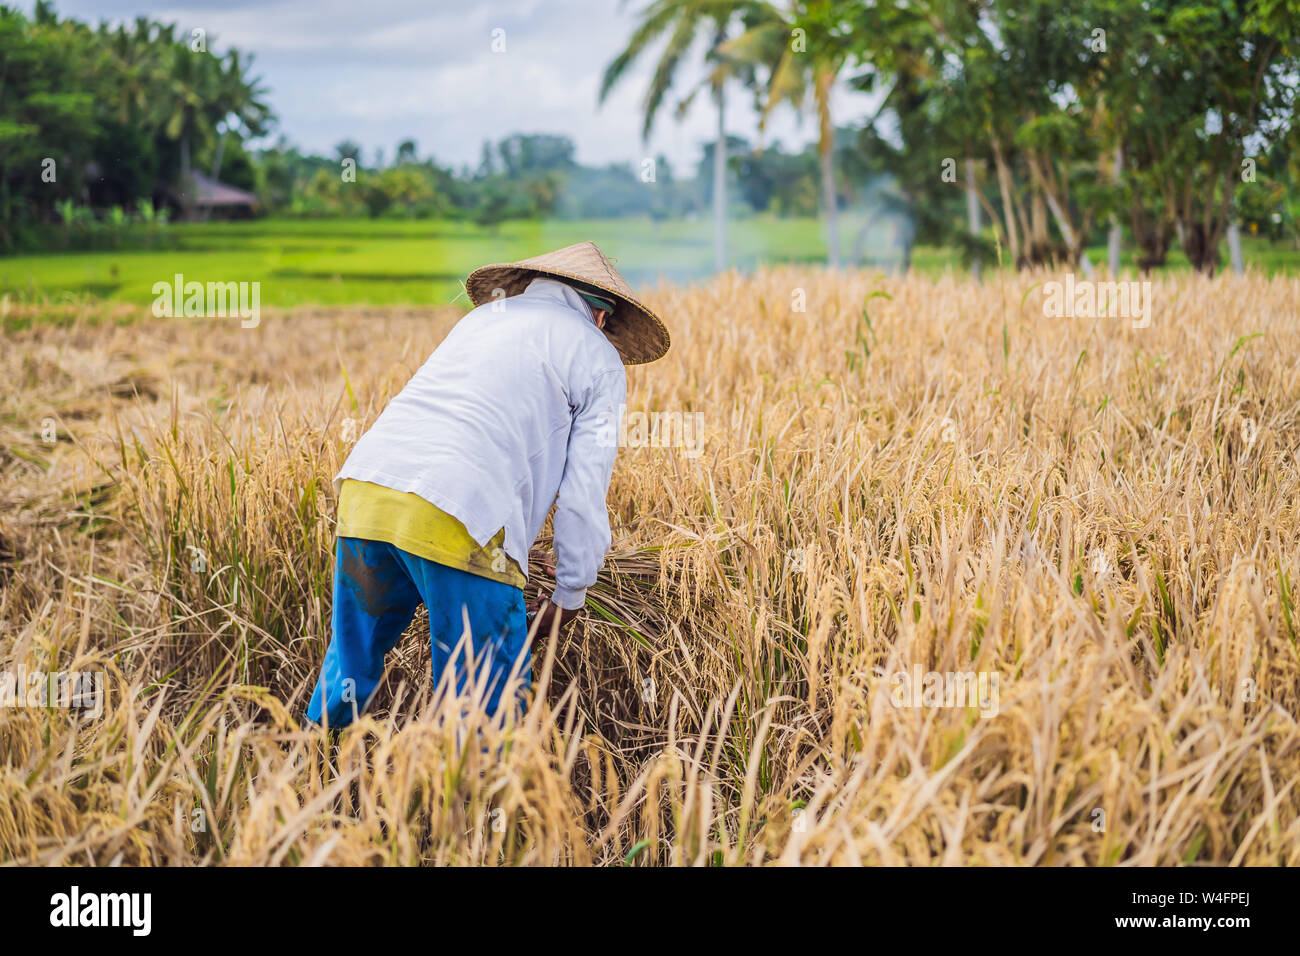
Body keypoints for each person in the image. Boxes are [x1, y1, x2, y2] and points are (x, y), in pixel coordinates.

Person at [305, 241, 670, 727]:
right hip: (463, 516)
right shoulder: (595, 354)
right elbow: (583, 496)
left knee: (347, 671)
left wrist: (517, 548)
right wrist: (569, 595)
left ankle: (299, 782)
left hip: (368, 492)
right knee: (482, 718)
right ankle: (475, 803)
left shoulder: (480, 321)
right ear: (602, 316)